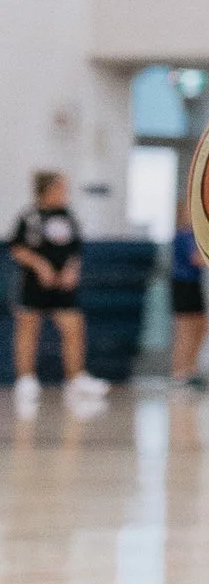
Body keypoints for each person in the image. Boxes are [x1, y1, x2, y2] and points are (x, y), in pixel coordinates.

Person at [11, 173, 106, 416]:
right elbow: (17, 248)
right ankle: (26, 379)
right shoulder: (29, 216)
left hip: (63, 287)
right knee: (28, 327)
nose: (65, 193)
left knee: (74, 326)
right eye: (61, 188)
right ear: (47, 190)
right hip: (34, 284)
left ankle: (76, 378)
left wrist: (71, 271)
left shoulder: (67, 216)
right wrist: (39, 265)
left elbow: (75, 250)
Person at [167, 222, 208, 389]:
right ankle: (179, 374)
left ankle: (190, 369)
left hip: (194, 284)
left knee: (201, 327)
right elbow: (197, 259)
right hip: (183, 284)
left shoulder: (195, 235)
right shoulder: (184, 235)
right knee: (185, 330)